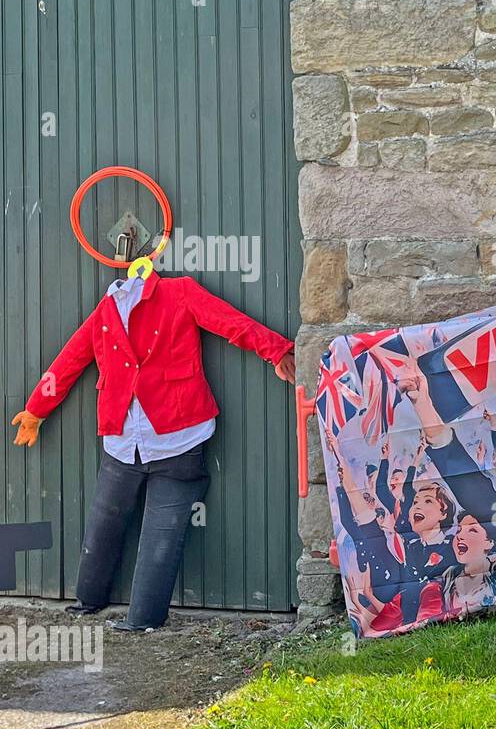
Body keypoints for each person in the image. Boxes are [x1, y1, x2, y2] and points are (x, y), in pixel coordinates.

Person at [11, 267, 294, 631]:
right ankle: (89, 599)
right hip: (123, 439)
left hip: (178, 434)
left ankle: (141, 619)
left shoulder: (179, 292)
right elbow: (71, 359)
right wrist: (36, 409)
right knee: (105, 523)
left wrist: (276, 350)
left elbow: (230, 323)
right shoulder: (107, 308)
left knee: (162, 532)